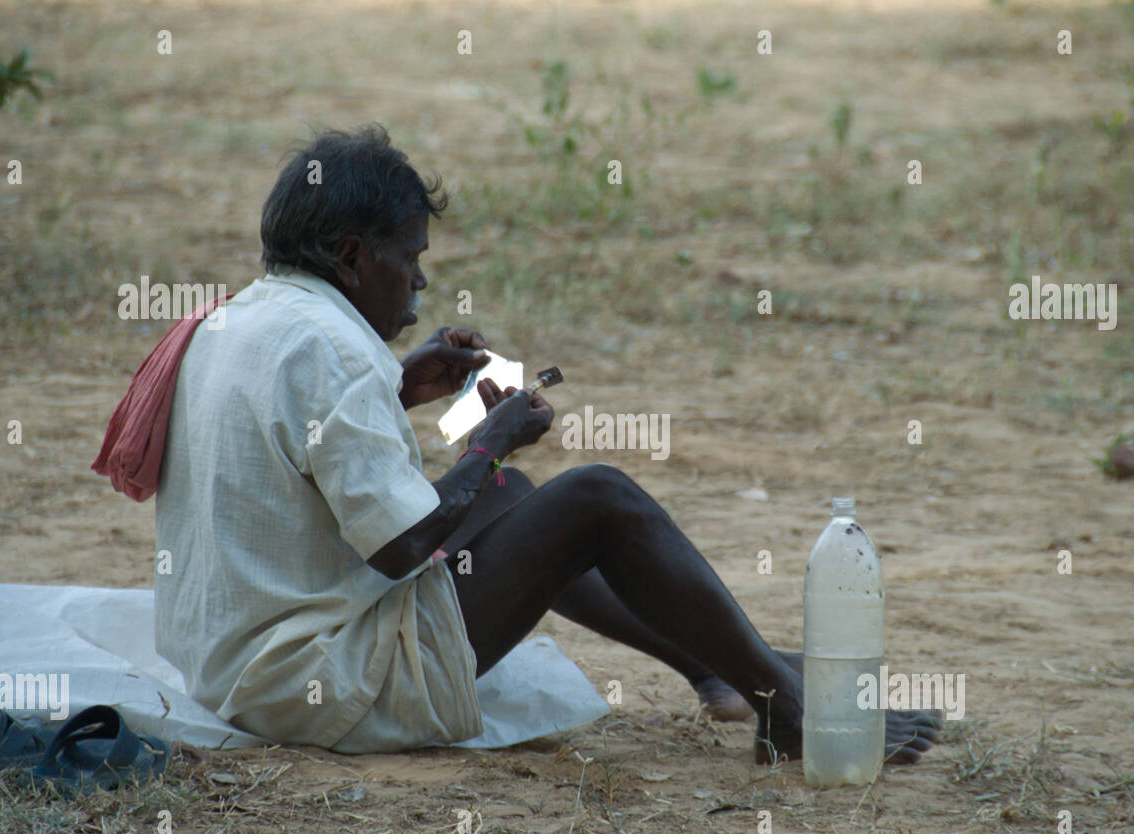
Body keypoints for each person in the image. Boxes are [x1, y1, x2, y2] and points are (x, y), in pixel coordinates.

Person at [151, 124, 942, 764]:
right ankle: (789, 708)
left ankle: (719, 668)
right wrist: (489, 441)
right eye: (412, 260)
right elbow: (398, 548)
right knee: (597, 500)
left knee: (512, 504)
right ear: (353, 257)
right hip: (324, 683)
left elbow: (288, 444)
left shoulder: (244, 319)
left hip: (232, 662)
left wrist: (398, 389)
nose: (421, 286)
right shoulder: (332, 348)